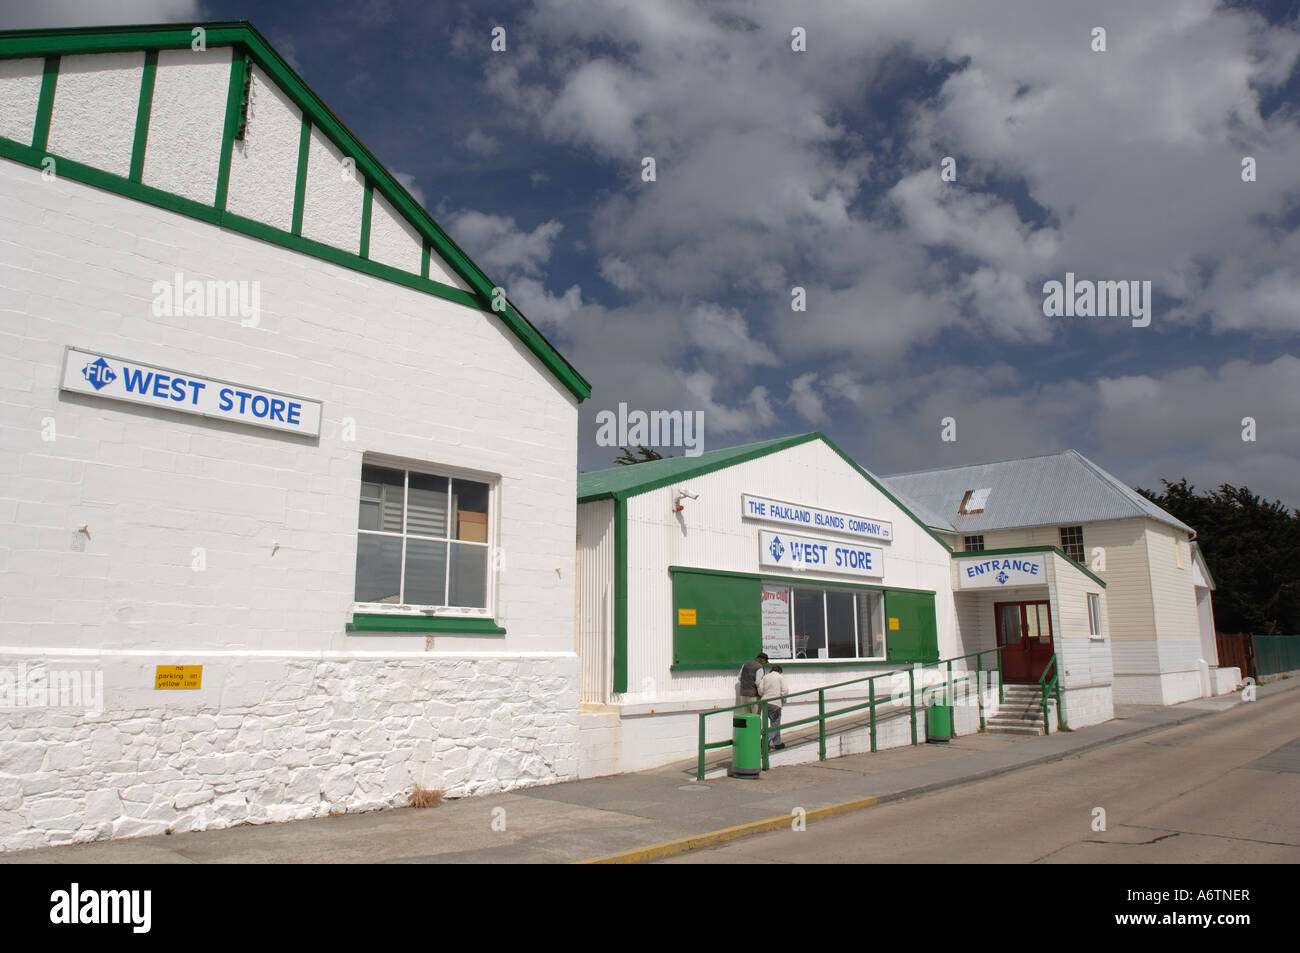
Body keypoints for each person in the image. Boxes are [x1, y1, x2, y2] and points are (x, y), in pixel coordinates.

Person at [759, 665, 788, 749]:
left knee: (774, 723)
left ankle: (778, 743)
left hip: (765, 703)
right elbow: (785, 690)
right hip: (775, 703)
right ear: (779, 671)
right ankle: (766, 739)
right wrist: (783, 699)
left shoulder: (765, 677)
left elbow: (760, 690)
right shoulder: (780, 677)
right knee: (776, 724)